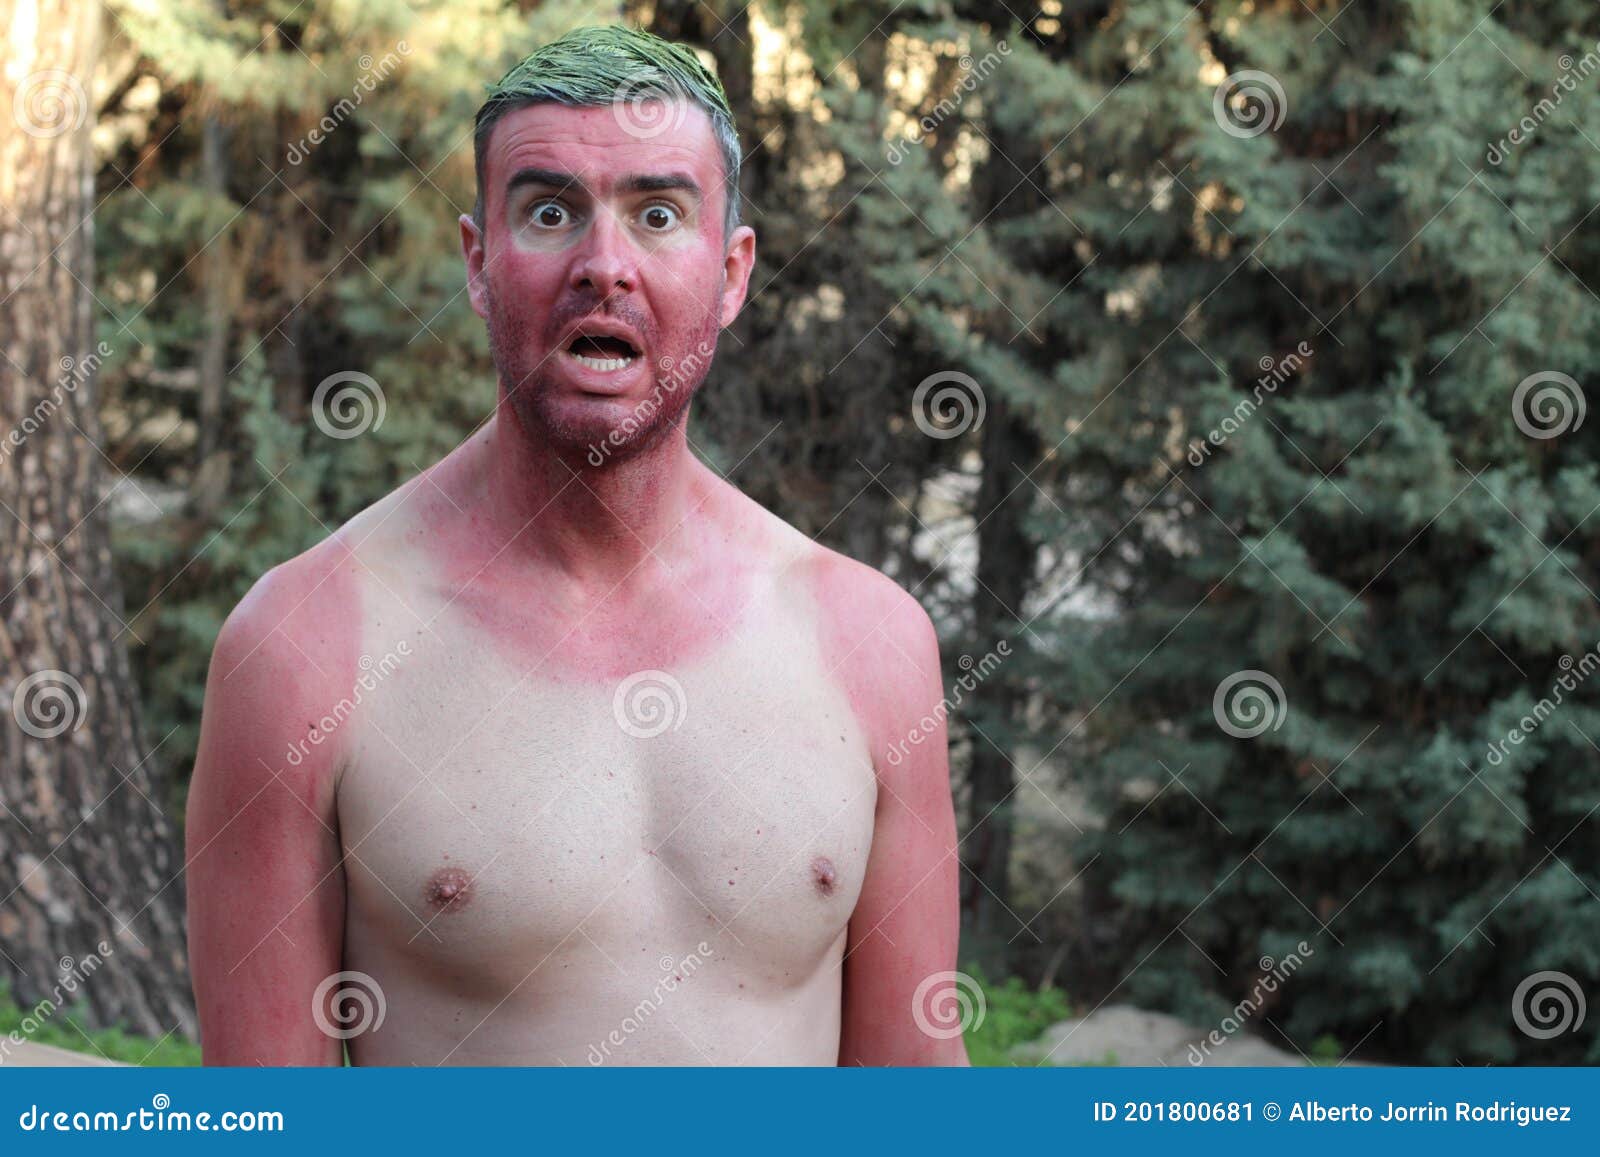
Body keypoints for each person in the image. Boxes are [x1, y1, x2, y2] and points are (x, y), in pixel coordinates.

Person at [186, 24, 965, 1066]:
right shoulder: (302, 645)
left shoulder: (870, 641)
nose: (605, 266)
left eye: (657, 213)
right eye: (550, 212)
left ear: (731, 273)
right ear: (477, 262)